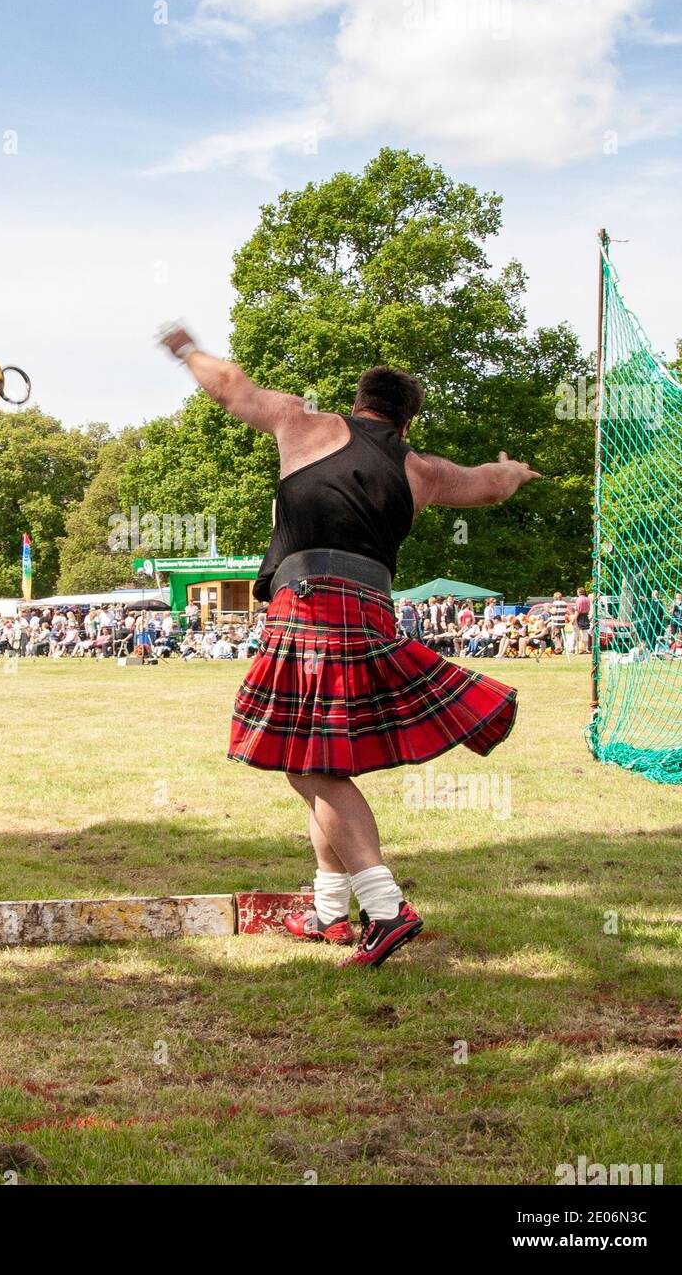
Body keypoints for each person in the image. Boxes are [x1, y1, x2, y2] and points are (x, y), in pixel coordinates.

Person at [158, 322, 539, 968]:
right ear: (406, 420)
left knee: (306, 762)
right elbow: (490, 483)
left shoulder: (303, 423)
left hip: (310, 601)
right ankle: (331, 912)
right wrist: (514, 470)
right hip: (370, 610)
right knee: (321, 760)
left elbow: (228, 386)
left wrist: (184, 349)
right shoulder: (422, 469)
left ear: (359, 400)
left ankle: (385, 907)